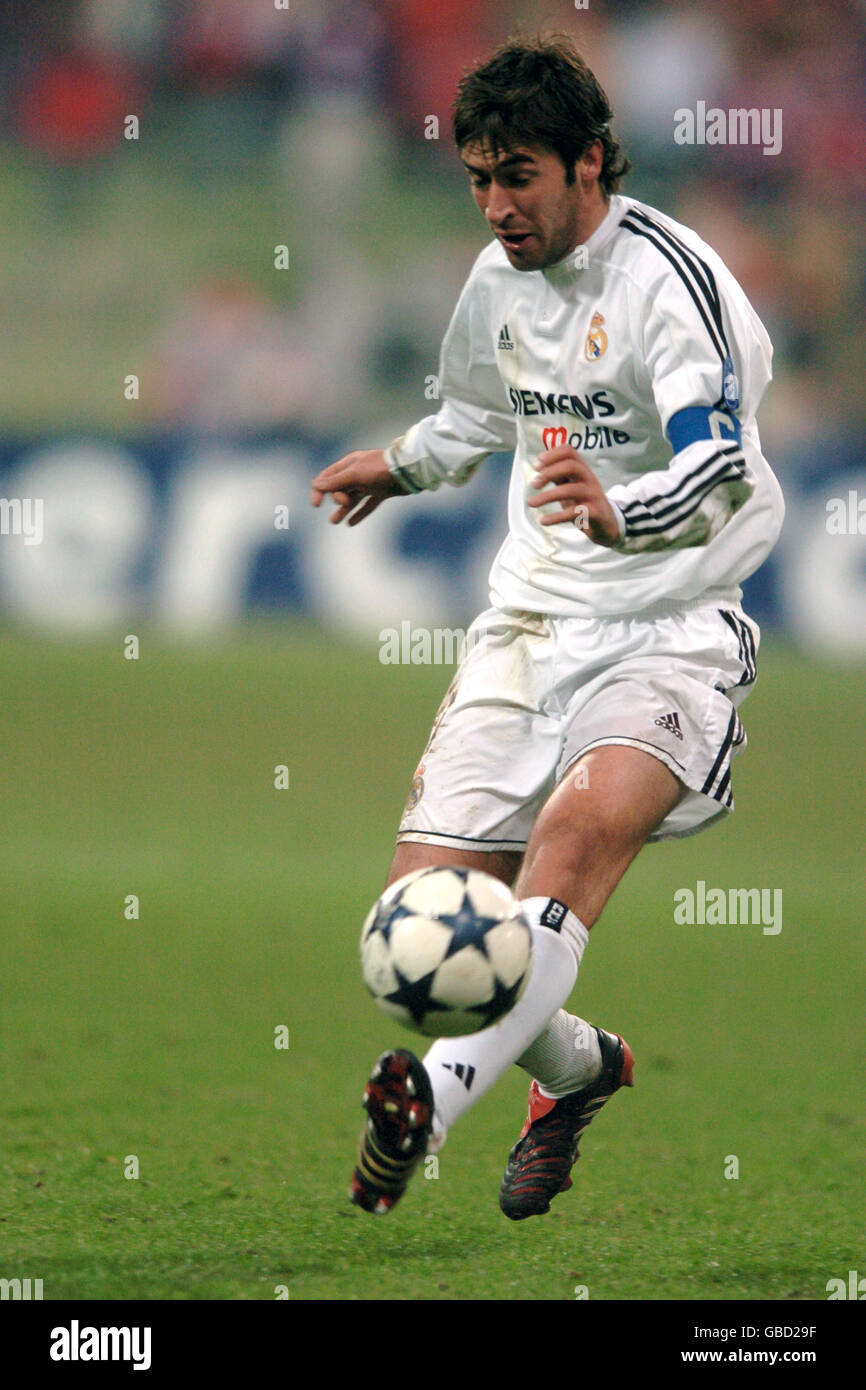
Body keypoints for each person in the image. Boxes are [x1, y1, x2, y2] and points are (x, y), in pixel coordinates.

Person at [310, 34, 783, 1221]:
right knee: (420, 934)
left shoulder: (671, 283)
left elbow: (719, 471)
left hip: (669, 623)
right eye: (476, 177)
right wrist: (405, 466)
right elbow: (477, 406)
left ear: (588, 162)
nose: (494, 203)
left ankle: (423, 1102)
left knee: (566, 853)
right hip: (526, 626)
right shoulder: (494, 277)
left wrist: (626, 518)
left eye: (516, 173)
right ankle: (576, 1070)